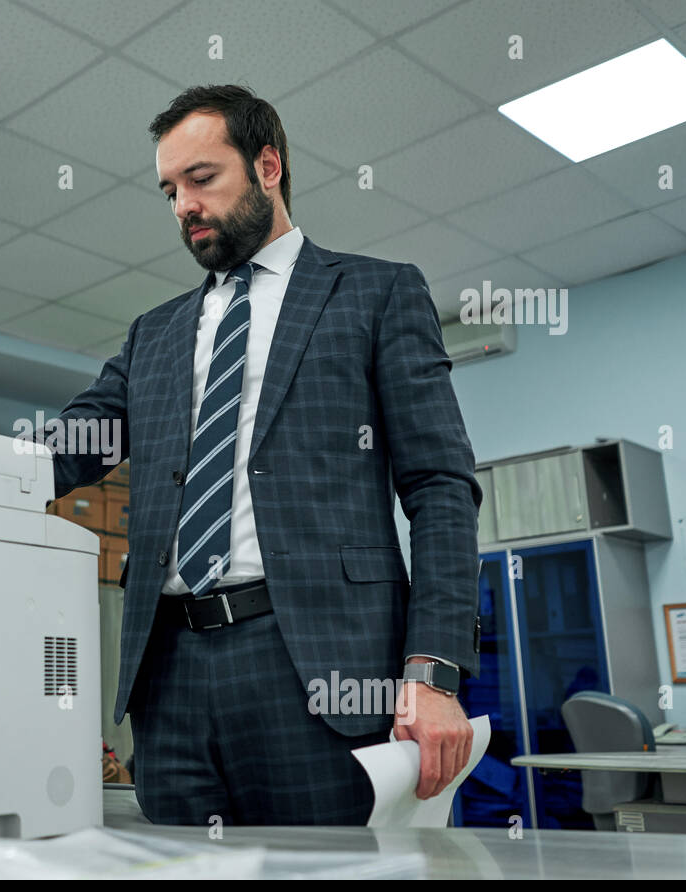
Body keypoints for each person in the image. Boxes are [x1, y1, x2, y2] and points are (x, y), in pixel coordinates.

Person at [48, 85, 482, 825]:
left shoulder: (376, 294)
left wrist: (434, 670)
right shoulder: (154, 333)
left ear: (268, 166)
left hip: (315, 665)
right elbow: (72, 444)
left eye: (202, 178)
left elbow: (439, 484)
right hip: (170, 673)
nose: (184, 204)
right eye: (169, 190)